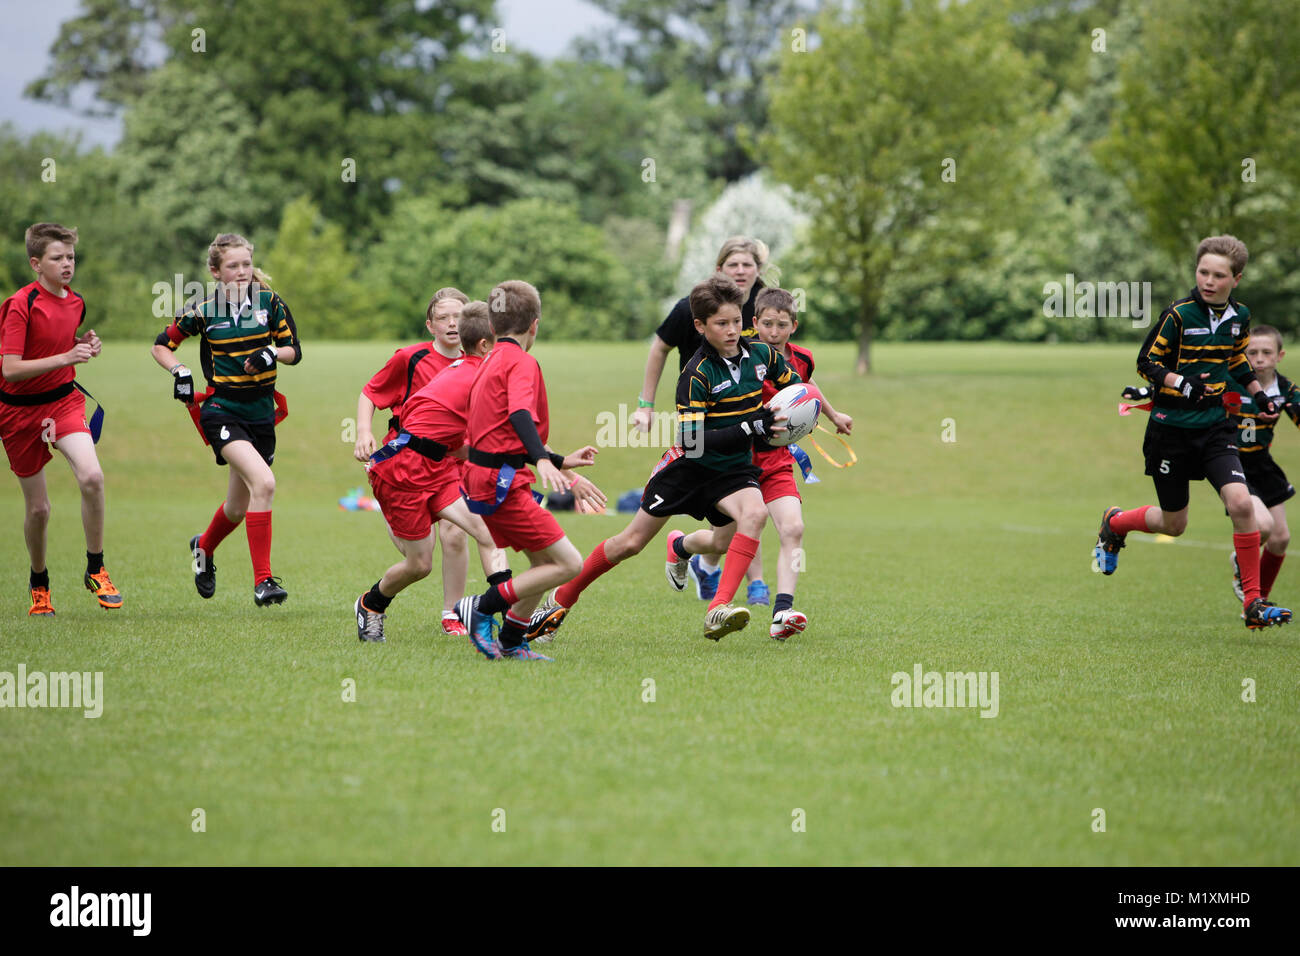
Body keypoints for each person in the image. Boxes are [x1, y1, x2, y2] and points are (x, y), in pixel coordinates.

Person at [526, 274, 799, 644]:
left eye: (737, 321)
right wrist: (752, 427)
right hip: (688, 468)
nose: (732, 330)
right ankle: (560, 598)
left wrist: (806, 414)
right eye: (722, 324)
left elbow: (796, 388)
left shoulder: (764, 355)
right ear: (700, 326)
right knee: (630, 543)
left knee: (749, 519)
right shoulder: (696, 374)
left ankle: (717, 608)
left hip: (733, 469)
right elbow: (692, 440)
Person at [1092, 234, 1290, 630]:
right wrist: (1182, 384)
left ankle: (1253, 602)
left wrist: (1258, 393)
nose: (1209, 281)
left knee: (1239, 503)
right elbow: (1146, 362)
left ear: (1236, 278)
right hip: (1172, 431)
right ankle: (1115, 524)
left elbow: (1236, 359)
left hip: (1215, 429)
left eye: (1219, 275)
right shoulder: (1178, 315)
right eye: (1203, 272)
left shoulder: (1240, 317)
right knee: (1174, 524)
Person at [665, 287, 853, 639]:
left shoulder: (801, 359)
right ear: (755, 323)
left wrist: (829, 415)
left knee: (793, 528)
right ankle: (680, 546)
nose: (774, 331)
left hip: (777, 460)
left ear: (793, 326)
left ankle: (782, 611)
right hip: (736, 464)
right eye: (767, 324)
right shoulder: (745, 353)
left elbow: (806, 389)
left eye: (782, 325)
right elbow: (695, 432)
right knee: (721, 543)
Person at [455, 280, 605, 661]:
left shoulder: (489, 360)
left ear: (491, 324)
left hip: (486, 477)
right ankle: (483, 606)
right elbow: (519, 414)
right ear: (535, 325)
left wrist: (559, 461)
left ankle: (511, 641)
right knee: (568, 563)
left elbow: (498, 434)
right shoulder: (521, 362)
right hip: (501, 483)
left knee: (542, 564)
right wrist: (541, 458)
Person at [151, 232, 302, 607]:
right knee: (264, 484)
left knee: (237, 507)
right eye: (232, 266)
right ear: (215, 272)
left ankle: (203, 548)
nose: (241, 272)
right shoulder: (203, 309)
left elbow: (293, 351)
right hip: (222, 411)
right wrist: (181, 372)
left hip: (262, 414)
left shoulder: (270, 302)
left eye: (246, 264)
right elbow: (161, 345)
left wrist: (271, 354)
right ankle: (264, 581)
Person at [354, 302, 512, 643]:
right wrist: (551, 462)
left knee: (487, 531)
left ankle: (502, 622)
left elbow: (463, 444)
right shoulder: (463, 372)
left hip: (439, 467)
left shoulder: (466, 368)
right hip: (403, 473)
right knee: (419, 565)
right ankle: (371, 604)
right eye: (500, 342)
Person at [633, 237, 774, 605]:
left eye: (748, 265)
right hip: (703, 421)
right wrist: (644, 404)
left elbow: (780, 363)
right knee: (739, 514)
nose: (741, 271)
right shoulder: (690, 309)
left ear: (758, 270)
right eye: (733, 265)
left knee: (749, 511)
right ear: (718, 270)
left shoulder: (764, 308)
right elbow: (660, 347)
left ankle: (731, 581)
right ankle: (726, 574)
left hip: (750, 419)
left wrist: (804, 409)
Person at [1, 222, 120, 616]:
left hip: (63, 402)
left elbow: (61, 345)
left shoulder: (75, 302)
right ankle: (39, 583)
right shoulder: (21, 304)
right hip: (18, 412)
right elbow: (12, 369)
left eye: (71, 256)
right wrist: (68, 356)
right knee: (39, 510)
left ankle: (96, 567)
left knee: (92, 477)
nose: (67, 264)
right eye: (57, 258)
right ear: (36, 263)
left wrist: (84, 345)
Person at [1227, 325, 1300, 604]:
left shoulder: (1285, 389)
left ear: (1279, 355)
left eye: (1266, 352)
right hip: (1233, 464)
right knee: (1264, 527)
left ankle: (1258, 603)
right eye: (1252, 352)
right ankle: (1242, 561)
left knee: (1280, 538)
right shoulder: (1232, 382)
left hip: (1263, 464)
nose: (1258, 358)